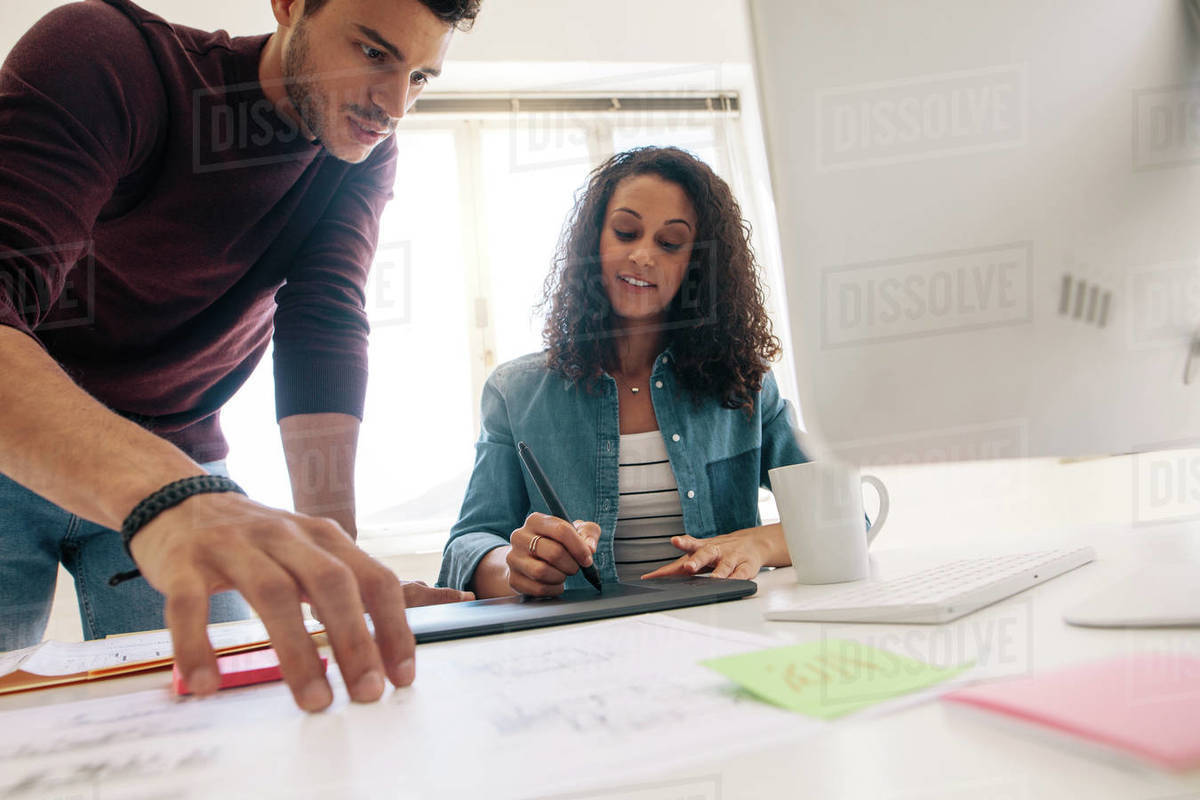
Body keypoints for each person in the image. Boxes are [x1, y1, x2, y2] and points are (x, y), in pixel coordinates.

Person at [0, 0, 480, 712]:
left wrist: (334, 561)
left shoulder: (359, 149)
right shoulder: (106, 56)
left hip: (181, 455)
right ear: (289, 6)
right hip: (25, 445)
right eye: (374, 54)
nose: (393, 106)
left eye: (419, 78)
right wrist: (167, 491)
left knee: (213, 724)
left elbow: (323, 324)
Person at [439, 146, 806, 598]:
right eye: (626, 232)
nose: (643, 256)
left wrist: (760, 542)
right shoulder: (515, 393)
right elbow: (466, 545)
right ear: (595, 240)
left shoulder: (743, 385)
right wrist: (514, 566)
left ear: (698, 265)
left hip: (726, 633)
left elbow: (840, 514)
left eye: (670, 243)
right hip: (584, 650)